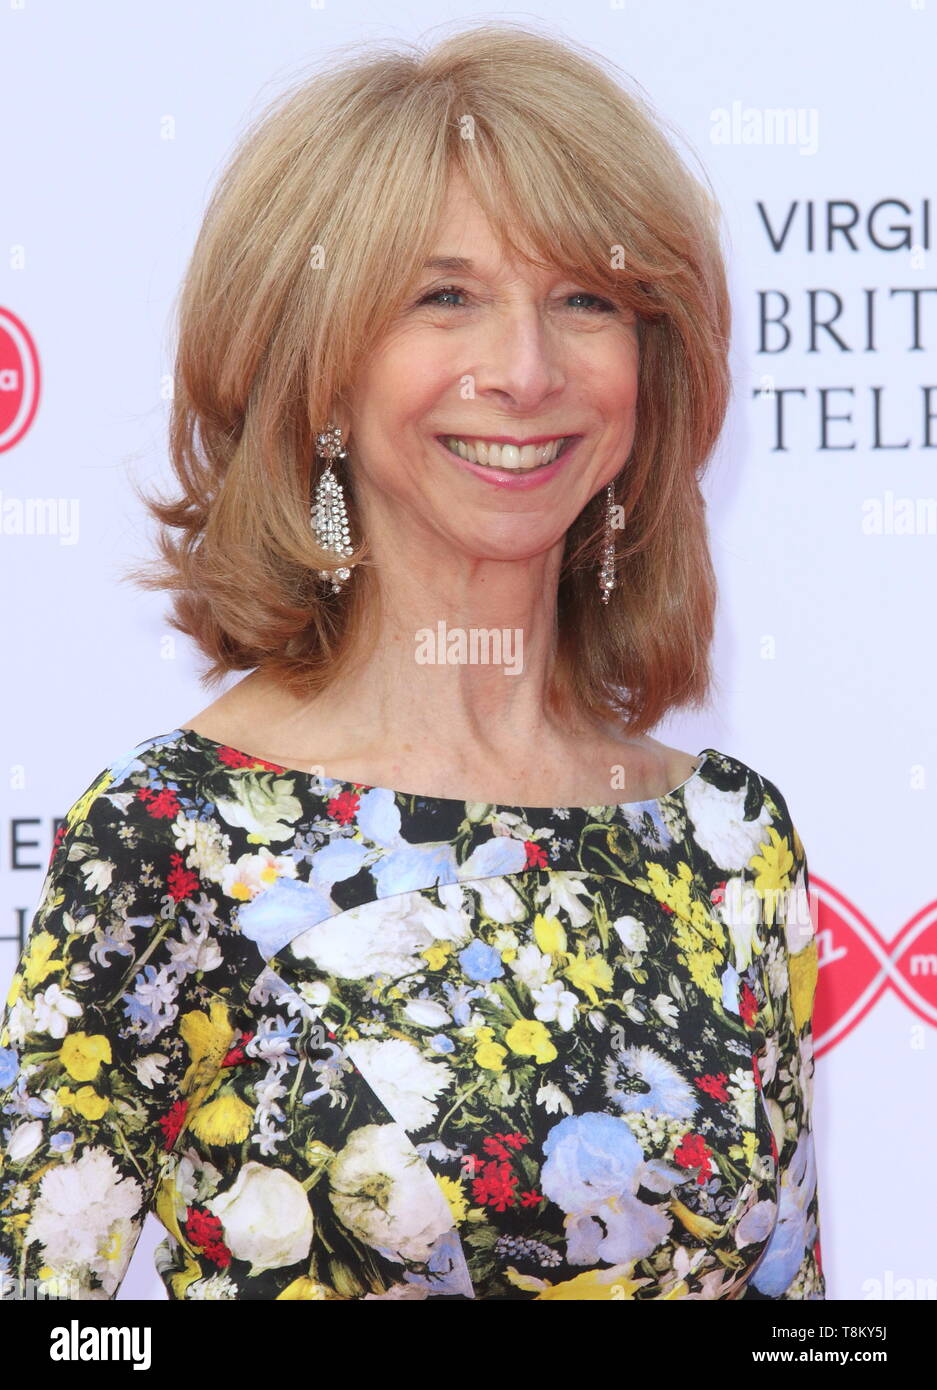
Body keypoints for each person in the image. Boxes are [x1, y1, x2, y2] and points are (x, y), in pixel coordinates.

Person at [0, 22, 824, 1301]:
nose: (526, 371)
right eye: (444, 297)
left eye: (585, 299)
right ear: (321, 369)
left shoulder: (728, 837)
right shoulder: (172, 838)